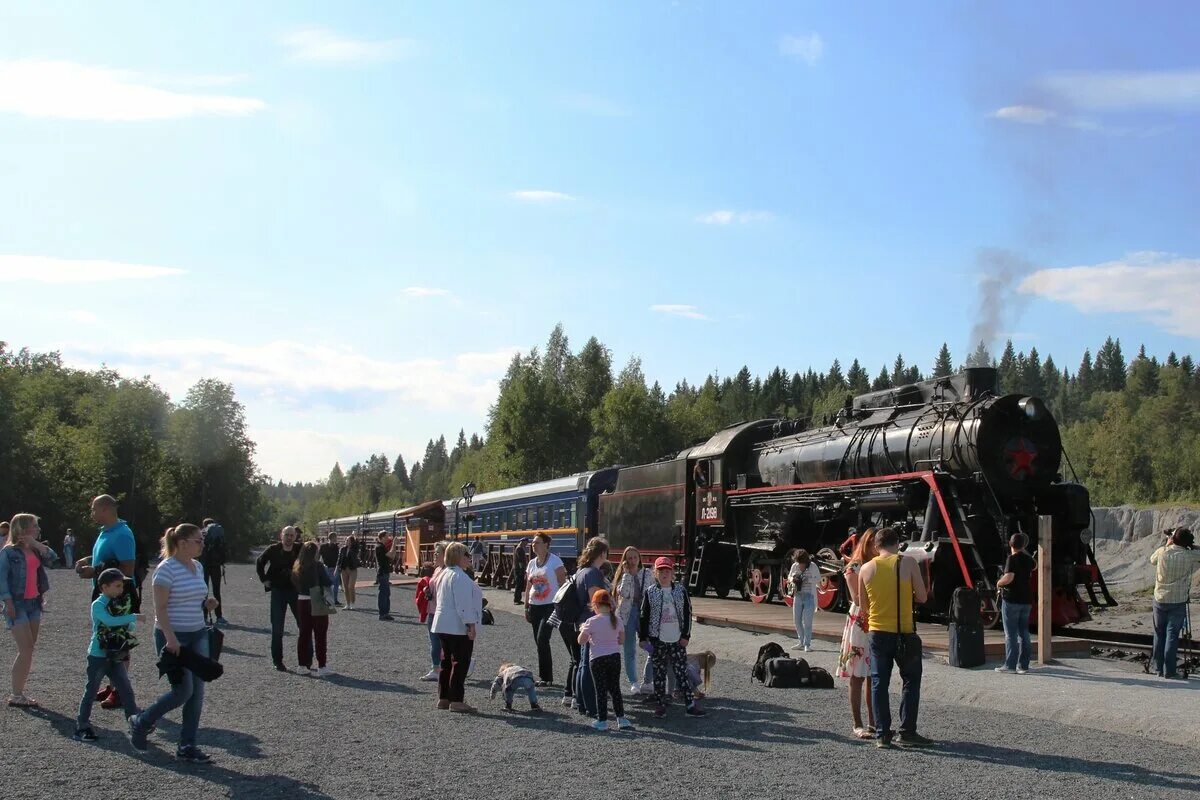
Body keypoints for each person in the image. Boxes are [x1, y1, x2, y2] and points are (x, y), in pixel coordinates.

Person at [128, 524, 219, 763]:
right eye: (198, 541)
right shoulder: (165, 570)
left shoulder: (197, 567)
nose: (202, 544)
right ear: (182, 543)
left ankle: (187, 745)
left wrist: (207, 603)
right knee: (183, 691)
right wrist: (170, 637)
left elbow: (194, 598)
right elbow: (160, 608)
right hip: (174, 635)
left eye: (202, 541)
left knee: (197, 693)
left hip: (197, 632)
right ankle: (142, 721)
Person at [859, 526, 933, 749]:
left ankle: (882, 734)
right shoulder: (907, 562)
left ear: (876, 546)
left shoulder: (865, 568)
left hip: (877, 632)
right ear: (897, 543)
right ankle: (907, 732)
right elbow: (921, 597)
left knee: (879, 682)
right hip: (905, 632)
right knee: (910, 680)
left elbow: (863, 607)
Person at [76, 494, 139, 709]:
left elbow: (127, 568)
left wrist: (95, 571)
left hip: (119, 596)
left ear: (106, 509)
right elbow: (107, 559)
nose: (92, 513)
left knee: (119, 642)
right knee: (106, 638)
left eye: (94, 509)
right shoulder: (106, 532)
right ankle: (113, 686)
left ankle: (120, 690)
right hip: (105, 592)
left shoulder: (122, 533)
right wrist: (88, 560)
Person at [74, 568, 139, 741]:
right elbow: (109, 621)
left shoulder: (120, 603)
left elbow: (129, 627)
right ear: (104, 587)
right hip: (98, 655)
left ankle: (136, 724)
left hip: (115, 654)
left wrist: (130, 622)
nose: (121, 589)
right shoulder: (98, 605)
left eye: (122, 586)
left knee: (126, 690)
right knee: (91, 690)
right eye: (117, 586)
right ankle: (82, 725)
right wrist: (132, 617)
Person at [1, 514, 57, 708]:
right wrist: (8, 603)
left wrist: (38, 544)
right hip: (16, 604)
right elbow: (2, 579)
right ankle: (15, 694)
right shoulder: (8, 552)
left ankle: (20, 692)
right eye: (34, 526)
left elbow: (53, 559)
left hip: (34, 603)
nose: (38, 529)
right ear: (23, 528)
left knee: (29, 649)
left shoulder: (35, 549)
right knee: (25, 649)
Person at [639, 556, 705, 718]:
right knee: (659, 675)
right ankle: (661, 705)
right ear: (656, 572)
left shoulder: (680, 591)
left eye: (667, 571)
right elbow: (643, 616)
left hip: (677, 639)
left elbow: (688, 613)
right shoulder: (650, 592)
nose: (664, 574)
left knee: (681, 673)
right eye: (661, 571)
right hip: (658, 639)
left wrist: (686, 635)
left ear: (673, 572)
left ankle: (690, 705)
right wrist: (643, 637)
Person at [431, 542, 482, 713]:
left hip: (442, 623)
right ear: (458, 557)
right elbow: (463, 605)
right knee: (460, 662)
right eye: (466, 554)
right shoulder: (460, 577)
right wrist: (470, 624)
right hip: (456, 626)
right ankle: (457, 699)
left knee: (445, 662)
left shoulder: (444, 574)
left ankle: (443, 697)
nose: (469, 557)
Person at [836, 528, 878, 739]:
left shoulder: (877, 565)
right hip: (861, 620)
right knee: (857, 674)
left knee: (872, 674)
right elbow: (857, 598)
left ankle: (873, 721)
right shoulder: (854, 567)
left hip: (875, 618)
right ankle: (857, 722)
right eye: (875, 544)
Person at [578, 588, 633, 731]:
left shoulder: (591, 621)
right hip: (614, 657)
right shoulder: (618, 620)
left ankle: (602, 720)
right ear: (610, 605)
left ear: (594, 605)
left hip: (597, 659)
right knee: (615, 688)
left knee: (601, 690)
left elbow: (581, 641)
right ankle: (621, 718)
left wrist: (583, 630)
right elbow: (621, 641)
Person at [566, 537, 609, 716]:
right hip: (592, 620)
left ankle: (582, 702)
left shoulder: (582, 570)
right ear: (603, 553)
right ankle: (591, 705)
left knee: (583, 663)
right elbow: (595, 600)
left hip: (581, 620)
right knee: (588, 665)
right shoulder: (593, 573)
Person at [1149, 528, 1200, 680]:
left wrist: (1168, 542)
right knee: (1172, 635)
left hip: (1160, 599)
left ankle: (1157, 668)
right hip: (1178, 601)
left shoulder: (1162, 552)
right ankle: (1169, 671)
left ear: (1173, 539)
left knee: (1159, 633)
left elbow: (1152, 560)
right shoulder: (1189, 555)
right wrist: (1191, 546)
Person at [256, 526, 302, 672]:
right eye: (286, 535)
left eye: (291, 535)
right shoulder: (273, 549)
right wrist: (264, 579)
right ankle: (277, 661)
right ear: (281, 536)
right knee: (277, 628)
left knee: (304, 626)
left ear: (295, 536)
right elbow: (260, 562)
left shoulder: (300, 549)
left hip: (296, 591)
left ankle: (306, 660)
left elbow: (313, 560)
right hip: (278, 592)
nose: (289, 538)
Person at [524, 532, 566, 687]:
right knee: (538, 641)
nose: (534, 545)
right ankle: (544, 676)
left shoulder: (556, 562)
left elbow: (563, 584)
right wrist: (526, 605)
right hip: (534, 606)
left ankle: (547, 677)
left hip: (550, 606)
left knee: (543, 639)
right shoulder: (531, 563)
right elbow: (529, 585)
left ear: (546, 544)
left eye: (537, 542)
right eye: (533, 543)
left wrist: (563, 605)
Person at [995, 532, 1035, 675]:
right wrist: (1024, 549)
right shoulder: (1028, 559)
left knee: (1010, 634)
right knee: (1024, 633)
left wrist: (999, 582)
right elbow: (1034, 566)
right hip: (1026, 599)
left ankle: (1010, 665)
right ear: (1023, 545)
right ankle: (1023, 665)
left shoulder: (1011, 559)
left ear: (1010, 544)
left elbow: (1010, 577)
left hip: (1012, 599)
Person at [613, 546, 651, 693]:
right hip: (627, 614)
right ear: (625, 561)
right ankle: (634, 681)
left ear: (639, 558)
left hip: (643, 614)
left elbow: (649, 592)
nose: (633, 561)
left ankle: (648, 680)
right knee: (630, 649)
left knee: (649, 647)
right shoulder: (623, 575)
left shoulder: (646, 573)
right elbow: (625, 594)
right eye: (629, 558)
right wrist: (627, 575)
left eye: (635, 557)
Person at [293, 541, 333, 677]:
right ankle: (321, 666)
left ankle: (302, 665)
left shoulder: (297, 566)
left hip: (301, 600)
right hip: (317, 599)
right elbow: (328, 582)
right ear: (316, 553)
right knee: (320, 635)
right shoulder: (318, 566)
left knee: (304, 634)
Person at [420, 541, 449, 681]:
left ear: (445, 555)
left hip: (440, 611)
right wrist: (427, 590)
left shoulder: (447, 571)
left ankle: (437, 669)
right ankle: (436, 667)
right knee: (434, 641)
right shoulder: (437, 569)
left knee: (438, 642)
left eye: (437, 553)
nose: (434, 555)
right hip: (432, 609)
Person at [789, 549, 820, 652]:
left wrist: (808, 579)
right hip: (798, 596)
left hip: (809, 596)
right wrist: (793, 578)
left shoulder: (813, 566)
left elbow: (818, 579)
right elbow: (789, 576)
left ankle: (807, 644)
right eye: (798, 563)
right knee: (796, 620)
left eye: (802, 563)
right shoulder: (794, 566)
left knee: (807, 622)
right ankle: (801, 641)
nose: (800, 566)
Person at [199, 518, 228, 625]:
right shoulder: (219, 532)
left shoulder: (202, 532)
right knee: (217, 591)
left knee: (204, 591)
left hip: (204, 564)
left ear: (204, 524)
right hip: (216, 564)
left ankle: (204, 616)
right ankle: (219, 617)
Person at [337, 535, 361, 610]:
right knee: (345, 587)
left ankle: (352, 603)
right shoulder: (343, 549)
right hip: (344, 569)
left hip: (352, 569)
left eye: (348, 540)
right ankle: (347, 603)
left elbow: (358, 545)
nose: (347, 542)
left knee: (351, 586)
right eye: (346, 540)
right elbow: (339, 558)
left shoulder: (354, 549)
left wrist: (355, 536)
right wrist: (337, 567)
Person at [375, 534, 394, 621]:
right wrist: (394, 544)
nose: (388, 538)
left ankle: (385, 613)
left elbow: (392, 556)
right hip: (383, 572)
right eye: (386, 537)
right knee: (383, 593)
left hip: (384, 572)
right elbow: (390, 555)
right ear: (382, 538)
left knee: (386, 593)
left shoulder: (381, 546)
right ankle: (383, 613)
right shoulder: (380, 547)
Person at [319, 533, 341, 605]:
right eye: (335, 537)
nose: (336, 538)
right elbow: (338, 558)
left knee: (327, 585)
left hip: (326, 567)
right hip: (334, 567)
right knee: (335, 584)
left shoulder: (323, 546)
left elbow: (319, 556)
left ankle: (328, 600)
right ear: (333, 538)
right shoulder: (336, 547)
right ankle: (334, 599)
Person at [511, 538, 529, 604]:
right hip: (519, 569)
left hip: (518, 568)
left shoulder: (519, 548)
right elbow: (520, 560)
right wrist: (522, 569)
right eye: (526, 543)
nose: (526, 544)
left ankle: (518, 599)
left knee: (519, 584)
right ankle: (516, 600)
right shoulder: (519, 549)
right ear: (523, 542)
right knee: (518, 584)